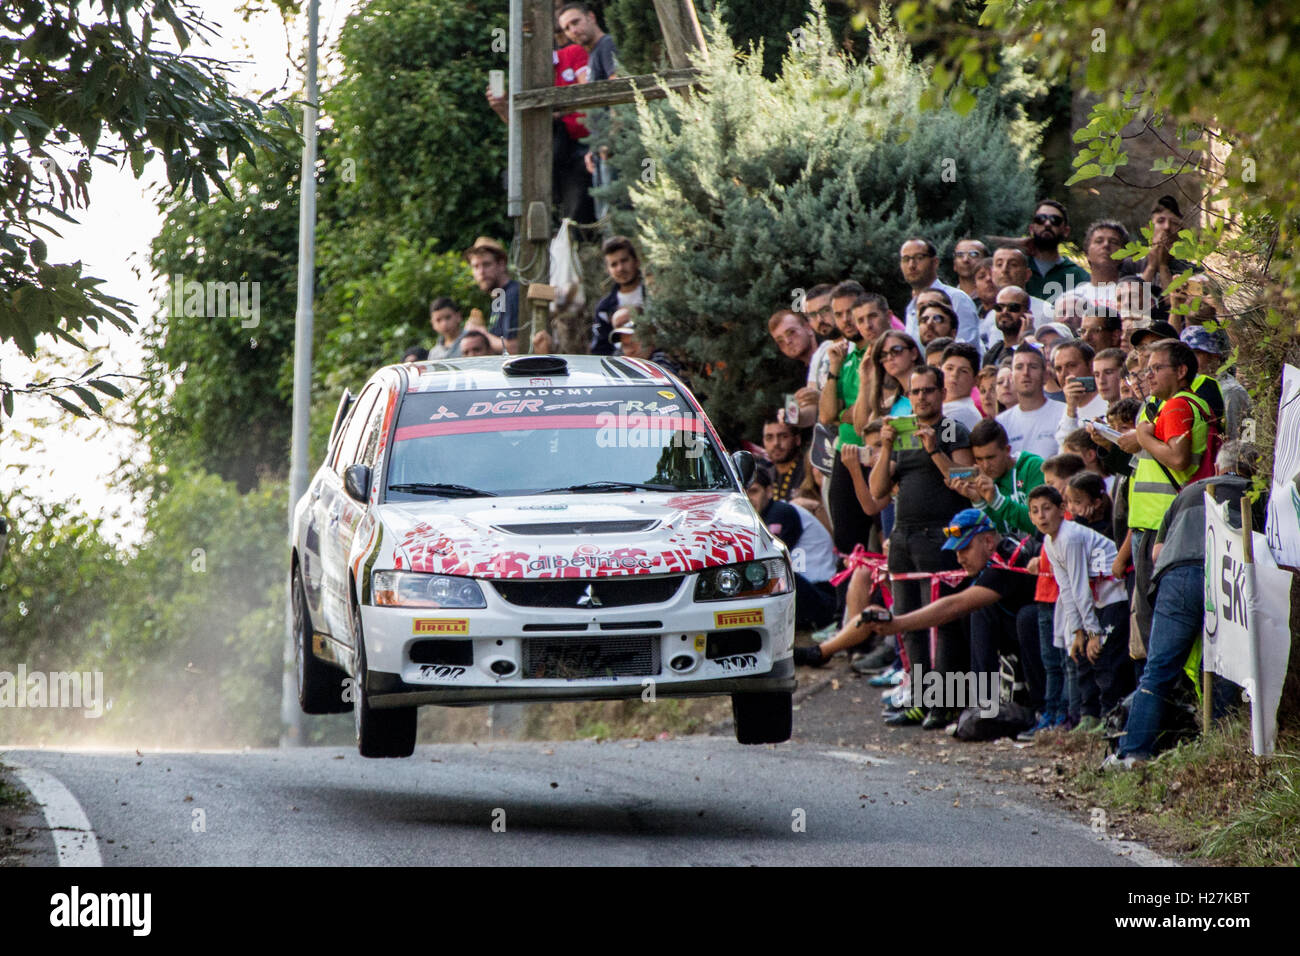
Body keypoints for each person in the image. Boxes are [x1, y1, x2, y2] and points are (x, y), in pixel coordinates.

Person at [1108, 442, 1264, 769]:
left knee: (1159, 669)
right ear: (1253, 470)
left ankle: (1134, 753)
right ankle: (1220, 745)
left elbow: (1155, 553)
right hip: (1226, 577)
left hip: (1177, 575)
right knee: (1224, 665)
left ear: (1218, 468)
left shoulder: (1190, 492)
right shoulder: (1255, 494)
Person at [854, 508, 1039, 721]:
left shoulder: (1007, 558)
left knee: (976, 610)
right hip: (1021, 633)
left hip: (1046, 635)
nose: (959, 558)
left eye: (965, 549)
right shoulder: (996, 553)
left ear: (988, 541)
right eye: (957, 552)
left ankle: (1005, 705)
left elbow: (954, 606)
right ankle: (972, 703)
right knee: (975, 613)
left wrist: (898, 623)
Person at [867, 366, 975, 727]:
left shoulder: (952, 430)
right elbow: (878, 491)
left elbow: (966, 482)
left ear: (942, 393)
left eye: (929, 390)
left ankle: (945, 703)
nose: (922, 397)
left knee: (940, 621)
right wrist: (885, 446)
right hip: (903, 536)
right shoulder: (900, 433)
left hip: (941, 535)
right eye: (915, 392)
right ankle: (919, 698)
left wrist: (934, 451)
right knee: (907, 620)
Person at [1127, 337, 1218, 656]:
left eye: (1157, 368)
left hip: (1162, 525)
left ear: (1181, 370)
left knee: (1156, 622)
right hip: (1170, 521)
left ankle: (1162, 696)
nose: (1148, 375)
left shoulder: (1179, 404)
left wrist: (1142, 437)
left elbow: (1178, 459)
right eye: (1146, 369)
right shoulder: (1188, 403)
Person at [1029, 484, 1132, 731]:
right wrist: (1077, 631)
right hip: (1098, 599)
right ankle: (1093, 715)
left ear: (1062, 509)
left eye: (1046, 509)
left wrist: (1093, 632)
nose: (1041, 516)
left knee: (1107, 657)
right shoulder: (1050, 542)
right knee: (1086, 655)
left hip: (1115, 595)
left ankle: (1112, 716)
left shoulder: (1070, 536)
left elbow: (1079, 586)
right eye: (1034, 511)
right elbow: (1065, 589)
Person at [747, 463, 837, 631]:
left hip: (823, 595)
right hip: (808, 591)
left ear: (769, 491)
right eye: (743, 493)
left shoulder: (781, 512)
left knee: (770, 569)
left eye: (753, 491)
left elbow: (765, 559)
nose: (748, 498)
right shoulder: (761, 517)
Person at [951, 419, 1045, 537]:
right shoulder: (984, 480)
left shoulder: (1033, 467)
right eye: (979, 459)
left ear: (1007, 450)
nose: (985, 466)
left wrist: (996, 500)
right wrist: (979, 502)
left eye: (990, 457)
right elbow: (995, 538)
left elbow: (1040, 524)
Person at [899, 238, 980, 347]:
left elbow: (967, 348)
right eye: (906, 259)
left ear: (935, 262)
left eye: (919, 258)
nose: (911, 265)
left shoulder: (956, 299)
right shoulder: (911, 307)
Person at [1181, 325, 1251, 442]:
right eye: (1184, 355)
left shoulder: (1231, 392)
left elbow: (1244, 441)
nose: (1188, 360)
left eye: (1196, 353)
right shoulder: (1187, 387)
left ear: (1214, 355)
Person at [1011, 199, 1091, 302]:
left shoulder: (1078, 276)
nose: (1047, 224)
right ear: (1031, 229)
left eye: (1055, 220)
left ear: (1066, 231)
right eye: (1040, 219)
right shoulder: (1017, 268)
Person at [996, 344, 1065, 460]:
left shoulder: (1064, 413)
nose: (1025, 373)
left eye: (1033, 367)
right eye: (1019, 367)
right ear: (1012, 376)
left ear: (1045, 375)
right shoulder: (1001, 422)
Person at [981, 247, 1052, 352]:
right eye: (999, 264)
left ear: (1027, 274)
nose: (1004, 270)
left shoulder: (1046, 311)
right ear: (992, 273)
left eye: (1013, 265)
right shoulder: (991, 316)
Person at [590, 236, 646, 355]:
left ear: (636, 261)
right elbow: (600, 349)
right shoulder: (604, 309)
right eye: (614, 264)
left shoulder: (652, 296)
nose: (620, 268)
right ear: (608, 270)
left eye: (624, 261)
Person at [465, 236, 519, 354]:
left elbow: (514, 348)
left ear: (501, 264)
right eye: (476, 266)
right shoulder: (498, 296)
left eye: (486, 264)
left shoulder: (512, 294)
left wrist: (480, 332)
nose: (481, 272)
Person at [1051, 339, 1107, 451]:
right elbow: (1064, 450)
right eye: (1058, 369)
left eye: (1071, 365)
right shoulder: (1065, 410)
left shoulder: (1107, 400)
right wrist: (1071, 409)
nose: (1064, 374)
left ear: (1091, 366)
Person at [981, 285, 1034, 368]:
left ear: (1028, 314)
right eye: (999, 307)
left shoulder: (1036, 351)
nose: (1004, 312)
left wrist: (1025, 339)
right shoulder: (992, 353)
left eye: (1013, 307)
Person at [760, 411, 805, 502]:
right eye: (769, 437)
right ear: (763, 442)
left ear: (797, 440)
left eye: (783, 436)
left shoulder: (809, 473)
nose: (776, 443)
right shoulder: (764, 476)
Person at [939, 341, 982, 430]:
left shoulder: (961, 412)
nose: (954, 374)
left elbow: (946, 442)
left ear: (975, 380)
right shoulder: (944, 406)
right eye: (949, 368)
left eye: (963, 371)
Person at [950, 238, 989, 310]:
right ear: (954, 264)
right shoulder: (948, 299)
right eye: (960, 255)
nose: (965, 260)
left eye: (973, 254)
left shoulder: (994, 299)